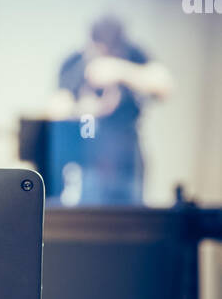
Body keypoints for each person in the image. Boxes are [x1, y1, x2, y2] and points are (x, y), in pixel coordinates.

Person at [48, 16, 173, 205]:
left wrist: (121, 71)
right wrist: (85, 108)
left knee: (130, 223)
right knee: (90, 223)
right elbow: (55, 109)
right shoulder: (75, 62)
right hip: (88, 163)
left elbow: (164, 86)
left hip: (128, 163)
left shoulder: (132, 55)